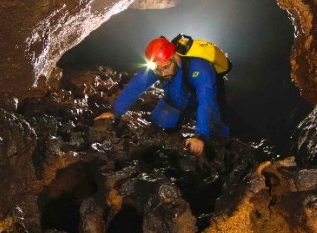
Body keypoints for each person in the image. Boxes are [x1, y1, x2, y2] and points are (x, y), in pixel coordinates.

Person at [96, 36, 229, 156]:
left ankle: (225, 145)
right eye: (158, 70)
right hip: (175, 100)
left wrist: (200, 135)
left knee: (217, 133)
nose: (163, 74)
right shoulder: (159, 65)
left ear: (175, 57)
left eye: (165, 68)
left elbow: (205, 102)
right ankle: (177, 127)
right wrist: (114, 111)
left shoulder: (199, 69)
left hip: (202, 103)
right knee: (158, 120)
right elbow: (136, 86)